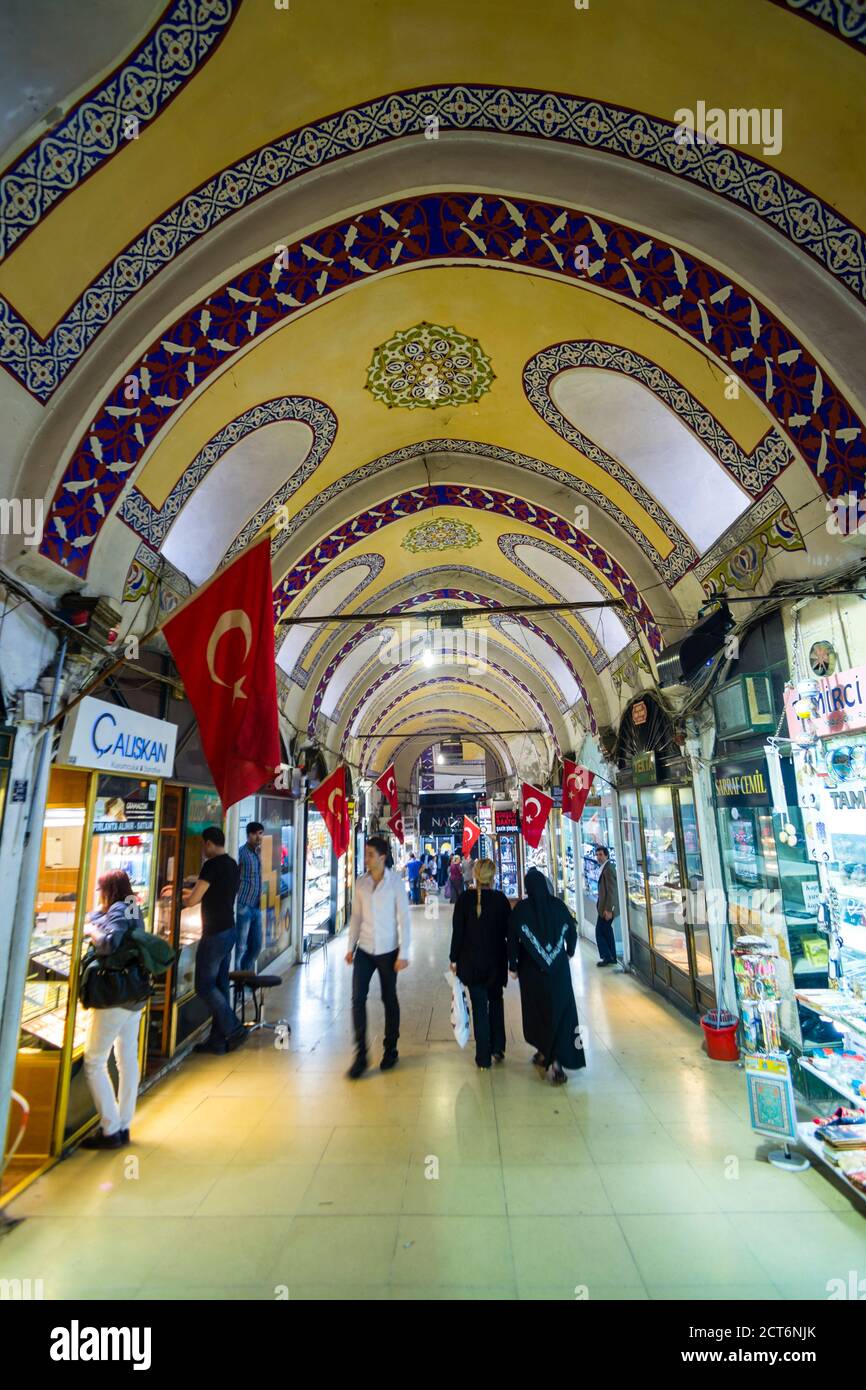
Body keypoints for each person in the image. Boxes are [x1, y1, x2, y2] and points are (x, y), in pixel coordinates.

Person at [80, 871, 149, 1149]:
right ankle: (123, 1123)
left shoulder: (119, 908)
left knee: (94, 1061)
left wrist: (90, 930)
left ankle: (110, 1129)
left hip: (115, 994)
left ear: (108, 889)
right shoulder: (132, 905)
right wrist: (97, 917)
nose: (99, 894)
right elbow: (124, 928)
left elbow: (111, 942)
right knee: (127, 1058)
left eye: (100, 889)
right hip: (135, 993)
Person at [164, 826, 245, 1055]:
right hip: (229, 929)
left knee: (204, 985)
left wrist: (176, 895)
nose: (203, 849)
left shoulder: (211, 866)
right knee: (219, 986)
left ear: (209, 843)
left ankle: (234, 1027)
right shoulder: (231, 864)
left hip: (214, 934)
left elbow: (193, 901)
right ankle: (218, 1041)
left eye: (203, 845)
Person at [508, 867, 586, 1086]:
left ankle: (544, 1052)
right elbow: (571, 930)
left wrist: (513, 965)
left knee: (538, 1013)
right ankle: (557, 1059)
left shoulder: (521, 910)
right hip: (559, 972)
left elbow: (513, 939)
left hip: (532, 973)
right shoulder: (558, 907)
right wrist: (568, 953)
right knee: (560, 1012)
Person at [345, 834, 411, 1078]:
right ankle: (360, 1055)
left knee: (389, 998)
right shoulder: (361, 884)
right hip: (364, 949)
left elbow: (404, 919)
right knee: (357, 999)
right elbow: (356, 918)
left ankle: (390, 1048)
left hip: (388, 950)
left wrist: (404, 953)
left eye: (371, 854)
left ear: (382, 857)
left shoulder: (394, 883)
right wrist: (351, 947)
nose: (367, 858)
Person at [449, 858, 510, 1068]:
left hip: (472, 964)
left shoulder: (464, 900)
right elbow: (508, 933)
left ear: (475, 875)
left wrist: (453, 958)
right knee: (495, 1002)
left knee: (479, 1008)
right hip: (496, 963)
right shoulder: (501, 900)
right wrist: (513, 961)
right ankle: (498, 1047)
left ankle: (483, 1058)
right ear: (492, 877)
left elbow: (458, 933)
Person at [235, 821, 264, 973]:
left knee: (256, 946)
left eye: (261, 833)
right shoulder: (241, 853)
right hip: (243, 905)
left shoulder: (257, 853)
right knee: (240, 947)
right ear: (249, 835)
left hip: (256, 906)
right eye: (255, 834)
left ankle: (244, 974)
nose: (259, 837)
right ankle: (237, 983)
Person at [595, 845, 619, 967]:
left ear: (606, 855)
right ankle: (612, 956)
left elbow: (612, 890)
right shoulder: (604, 868)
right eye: (597, 854)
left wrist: (609, 909)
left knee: (599, 931)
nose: (598, 857)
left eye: (601, 855)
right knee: (607, 931)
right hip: (604, 908)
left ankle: (607, 957)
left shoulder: (608, 869)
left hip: (606, 909)